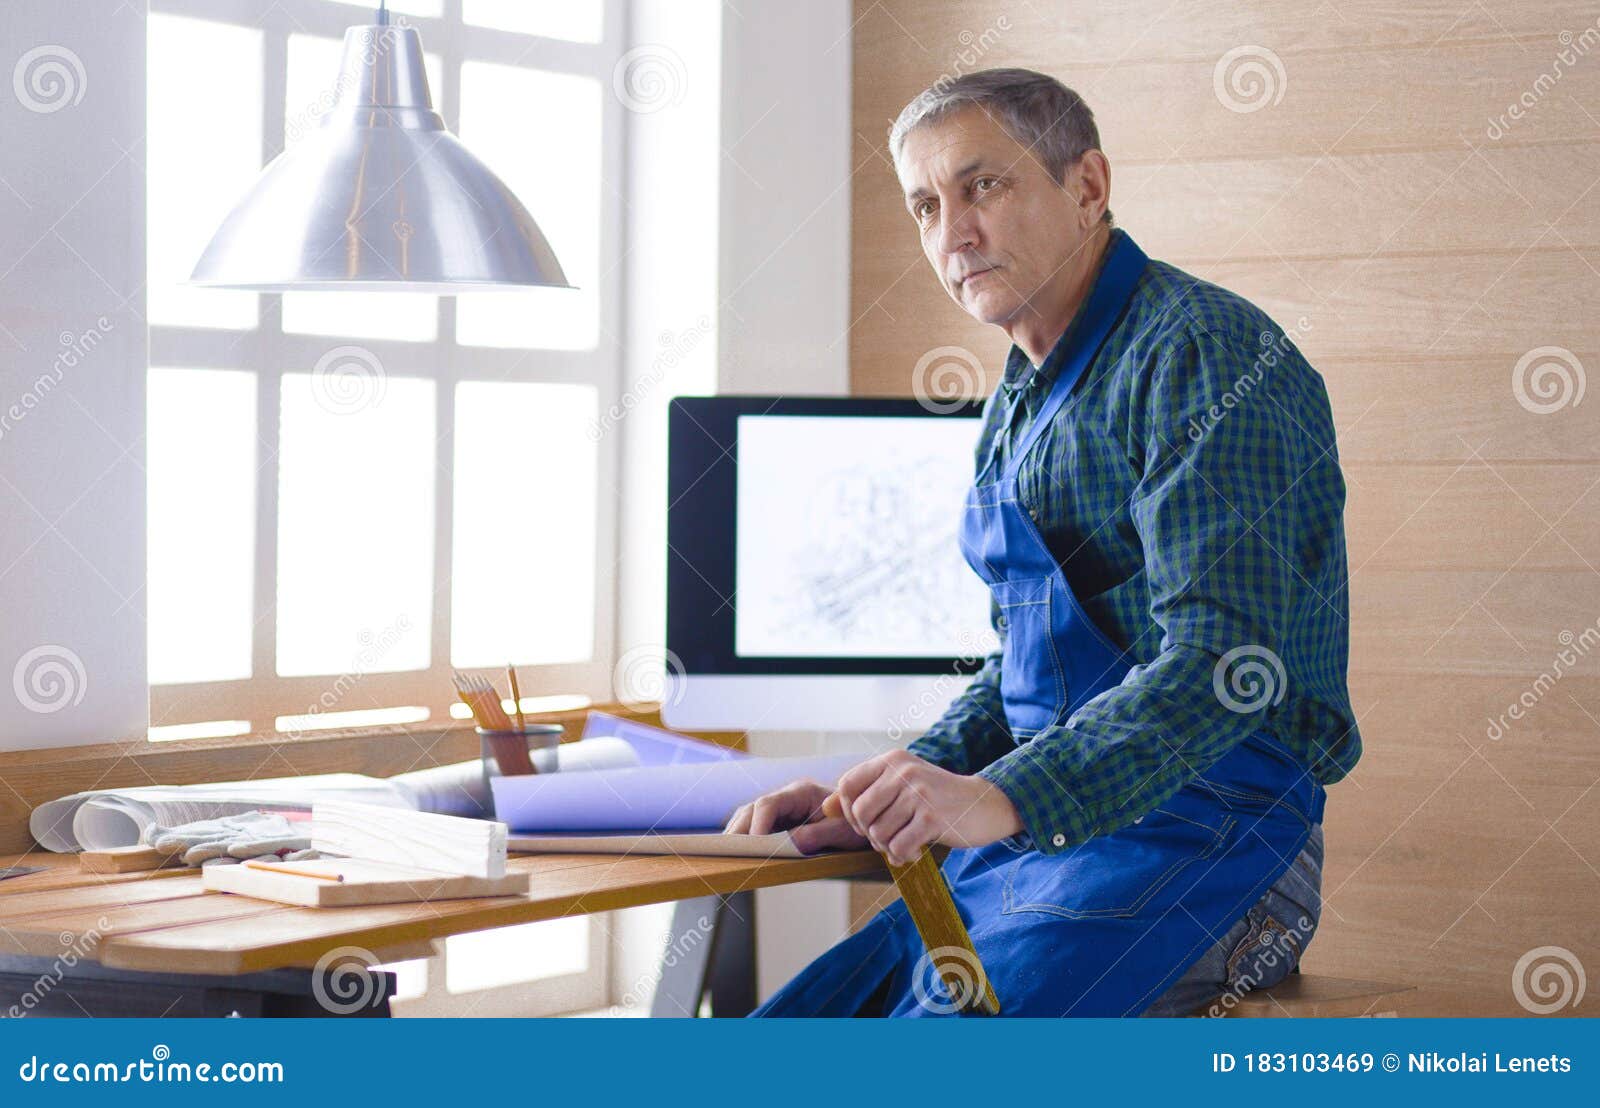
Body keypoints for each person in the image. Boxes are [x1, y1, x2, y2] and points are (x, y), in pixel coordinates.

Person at [727, 68, 1360, 1017]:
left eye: (984, 186)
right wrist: (896, 789)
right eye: (926, 205)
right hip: (1040, 840)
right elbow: (1022, 673)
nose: (953, 233)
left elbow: (1230, 665)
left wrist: (1002, 797)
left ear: (1089, 188)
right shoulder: (1014, 407)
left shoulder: (1205, 356)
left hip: (1213, 834)